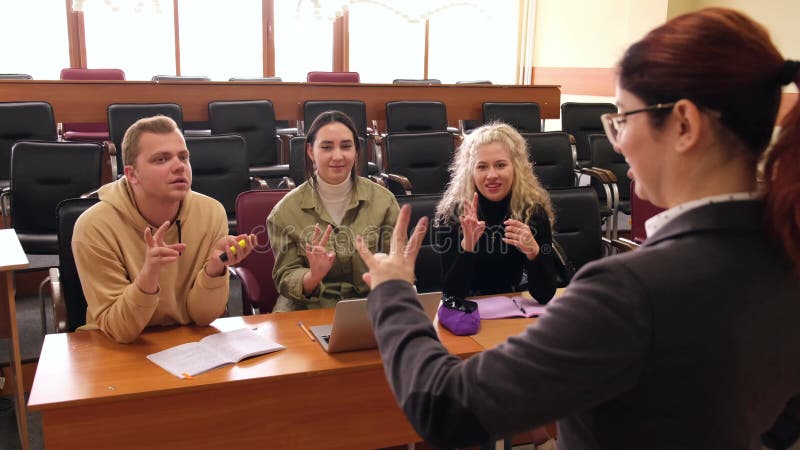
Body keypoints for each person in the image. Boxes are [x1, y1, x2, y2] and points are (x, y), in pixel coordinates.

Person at [356, 8, 800, 450]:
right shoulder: (786, 252)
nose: (616, 140)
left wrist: (393, 292)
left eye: (623, 117)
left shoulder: (629, 291)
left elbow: (445, 408)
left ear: (683, 124)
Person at [73, 115, 255, 344]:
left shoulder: (211, 212)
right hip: (116, 346)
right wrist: (149, 276)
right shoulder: (94, 226)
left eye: (183, 157)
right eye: (161, 159)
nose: (179, 166)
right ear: (132, 175)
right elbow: (120, 329)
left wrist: (214, 269)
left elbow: (203, 318)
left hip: (187, 341)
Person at [267, 110, 399, 312]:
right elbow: (285, 276)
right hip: (309, 306)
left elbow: (396, 264)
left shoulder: (384, 202)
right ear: (311, 151)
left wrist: (388, 273)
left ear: (356, 151)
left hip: (369, 305)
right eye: (327, 147)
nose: (337, 156)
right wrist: (312, 276)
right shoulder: (285, 212)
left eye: (346, 146)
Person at [433, 122, 558, 304]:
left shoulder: (532, 212)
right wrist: (467, 247)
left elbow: (545, 295)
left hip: (514, 305)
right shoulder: (453, 214)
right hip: (469, 311)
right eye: (482, 167)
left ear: (516, 168)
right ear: (471, 171)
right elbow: (452, 295)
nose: (491, 175)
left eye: (500, 165)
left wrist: (534, 252)